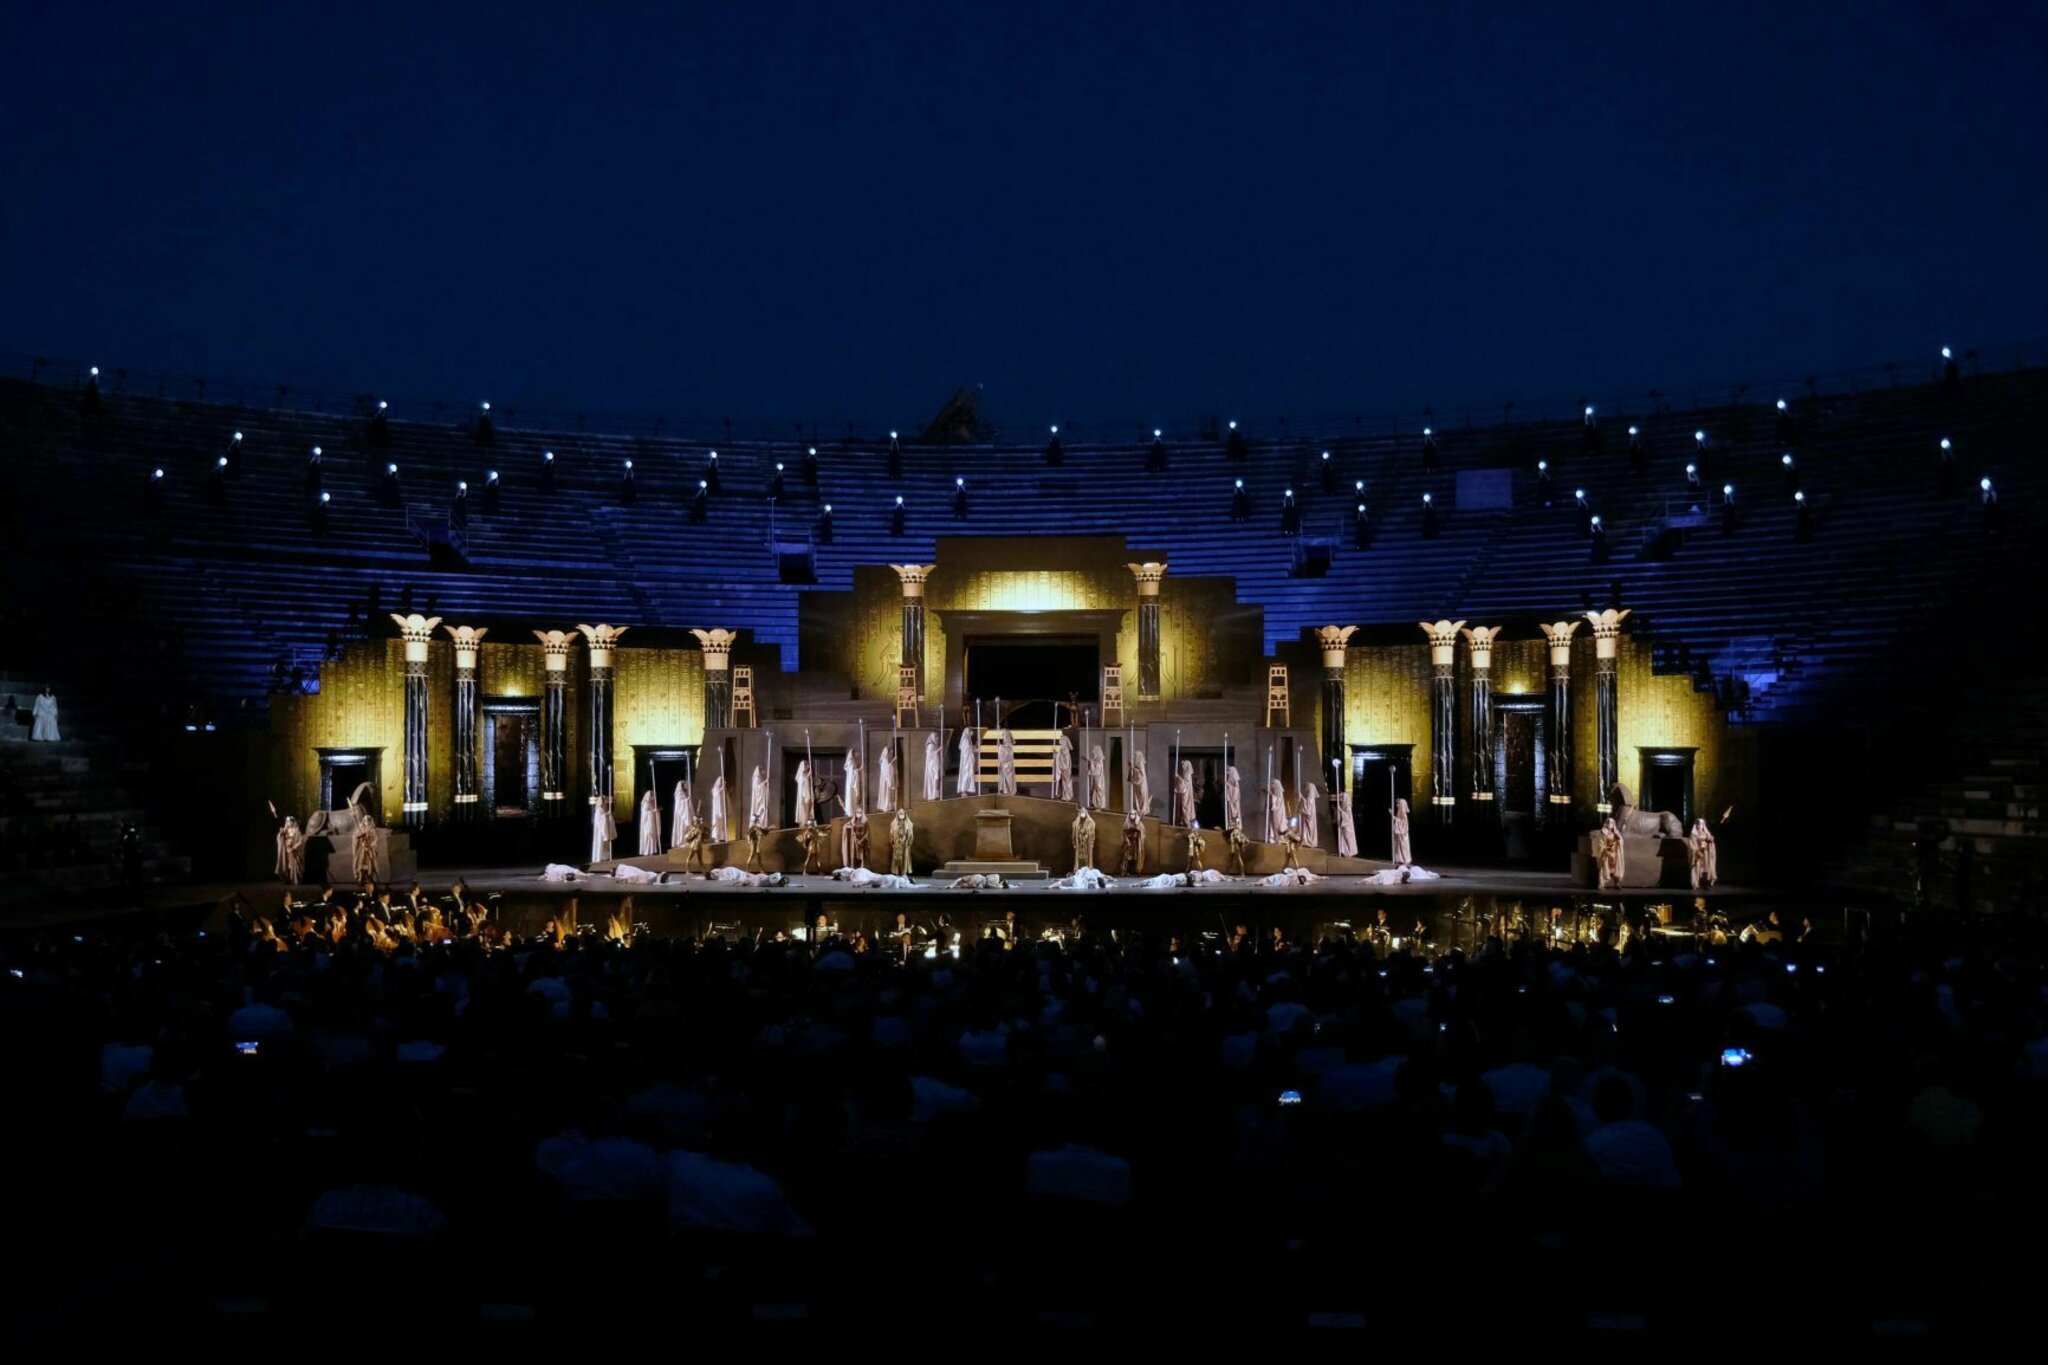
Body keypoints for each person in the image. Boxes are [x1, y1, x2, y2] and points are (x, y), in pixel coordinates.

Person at [275, 814, 306, 885]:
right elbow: (280, 838)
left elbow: (301, 841)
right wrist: (281, 833)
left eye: (290, 822)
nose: (289, 823)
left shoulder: (297, 830)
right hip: (287, 851)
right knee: (286, 865)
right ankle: (287, 879)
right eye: (287, 822)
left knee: (294, 866)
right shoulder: (286, 830)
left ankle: (295, 880)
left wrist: (295, 847)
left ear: (293, 822)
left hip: (294, 852)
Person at [1596, 817, 1625, 889]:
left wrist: (1618, 838)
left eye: (1612, 823)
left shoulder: (1615, 832)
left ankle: (1617, 883)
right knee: (1605, 867)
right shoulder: (1603, 832)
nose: (1610, 824)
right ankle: (1602, 883)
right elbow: (1600, 842)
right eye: (1609, 823)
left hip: (1614, 853)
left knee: (1616, 868)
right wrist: (1604, 849)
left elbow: (1621, 841)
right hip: (1606, 852)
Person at [1689, 818, 1718, 888]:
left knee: (1707, 867)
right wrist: (1696, 851)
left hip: (1706, 853)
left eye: (1702, 824)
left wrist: (1710, 840)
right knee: (1698, 867)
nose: (1700, 825)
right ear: (1696, 825)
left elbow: (1710, 840)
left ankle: (1706, 882)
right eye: (1699, 824)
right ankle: (1697, 882)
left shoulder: (1706, 833)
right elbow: (1692, 845)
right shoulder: (1693, 834)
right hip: (1699, 854)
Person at [890, 806, 915, 878]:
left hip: (905, 842)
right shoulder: (894, 823)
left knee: (905, 857)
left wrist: (909, 842)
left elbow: (910, 833)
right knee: (897, 857)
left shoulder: (909, 823)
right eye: (900, 814)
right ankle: (896, 871)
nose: (901, 816)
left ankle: (904, 872)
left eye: (902, 814)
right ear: (897, 815)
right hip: (897, 843)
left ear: (905, 815)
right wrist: (892, 842)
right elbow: (891, 833)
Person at [591, 795, 617, 863]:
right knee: (600, 843)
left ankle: (605, 856)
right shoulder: (598, 810)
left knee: (606, 844)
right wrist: (606, 815)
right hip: (600, 831)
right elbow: (599, 820)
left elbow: (607, 814)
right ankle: (599, 856)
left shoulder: (603, 809)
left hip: (605, 828)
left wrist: (608, 814)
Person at [1119, 807, 1144, 876]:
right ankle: (1124, 871)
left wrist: (1138, 830)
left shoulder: (1139, 823)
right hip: (1129, 842)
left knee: (1137, 856)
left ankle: (1138, 870)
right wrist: (1127, 840)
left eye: (1133, 814)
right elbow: (1124, 832)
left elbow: (1142, 832)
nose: (1132, 815)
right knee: (1126, 857)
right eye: (1131, 814)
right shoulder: (1126, 823)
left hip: (1136, 843)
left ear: (1136, 815)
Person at [1071, 804, 1096, 872]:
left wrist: (1092, 842)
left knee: (1087, 856)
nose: (1083, 813)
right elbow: (1073, 834)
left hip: (1087, 843)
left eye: (1084, 812)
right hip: (1079, 842)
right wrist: (1074, 843)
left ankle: (1088, 868)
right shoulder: (1075, 823)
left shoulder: (1091, 822)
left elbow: (1093, 834)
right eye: (1081, 812)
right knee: (1078, 857)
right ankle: (1077, 869)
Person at [1333, 791, 1357, 858]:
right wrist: (1336, 810)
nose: (1341, 800)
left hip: (1347, 827)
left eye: (1342, 798)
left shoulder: (1348, 808)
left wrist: (1340, 810)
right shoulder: (1343, 807)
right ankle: (1347, 851)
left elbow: (1347, 817)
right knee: (1345, 838)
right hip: (1344, 826)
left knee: (1348, 839)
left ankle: (1350, 851)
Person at [670, 778, 693, 848]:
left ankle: (688, 840)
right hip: (681, 815)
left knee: (687, 828)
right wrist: (686, 800)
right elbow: (679, 804)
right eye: (684, 785)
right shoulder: (678, 793)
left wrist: (688, 799)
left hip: (686, 813)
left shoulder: (685, 793)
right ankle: (681, 841)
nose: (685, 786)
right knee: (681, 828)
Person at [638, 790, 662, 857]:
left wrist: (656, 810)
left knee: (653, 836)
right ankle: (647, 851)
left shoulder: (652, 803)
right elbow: (645, 813)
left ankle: (652, 850)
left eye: (652, 796)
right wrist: (653, 811)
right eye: (650, 796)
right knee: (648, 836)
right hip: (647, 824)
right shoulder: (645, 804)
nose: (651, 797)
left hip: (652, 822)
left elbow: (654, 809)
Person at [1051, 732, 1074, 801]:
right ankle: (1065, 794)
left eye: (1061, 741)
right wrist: (1056, 753)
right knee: (1063, 781)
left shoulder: (1065, 751)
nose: (1060, 743)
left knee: (1066, 781)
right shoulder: (1062, 750)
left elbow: (1065, 762)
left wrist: (1057, 755)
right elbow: (1059, 756)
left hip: (1065, 768)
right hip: (1063, 768)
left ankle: (1067, 795)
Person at [1298, 780, 1320, 847]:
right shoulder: (1310, 798)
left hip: (1309, 815)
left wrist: (1301, 796)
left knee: (1309, 827)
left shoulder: (1311, 799)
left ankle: (1309, 841)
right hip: (1308, 815)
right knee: (1307, 827)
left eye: (1306, 788)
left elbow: (1308, 808)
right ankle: (1306, 840)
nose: (1305, 789)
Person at [1390, 797, 1412, 866]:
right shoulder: (1400, 814)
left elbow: (1403, 824)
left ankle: (1405, 859)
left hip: (1403, 836)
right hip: (1400, 835)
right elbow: (1398, 820)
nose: (1397, 804)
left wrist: (1392, 816)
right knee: (1399, 848)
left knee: (1403, 848)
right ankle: (1400, 859)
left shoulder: (1404, 815)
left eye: (1398, 803)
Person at [1127, 751, 1150, 816]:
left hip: (1141, 784)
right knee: (1138, 797)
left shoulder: (1140, 764)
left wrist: (1133, 768)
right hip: (1137, 784)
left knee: (1141, 796)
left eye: (1135, 756)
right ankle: (1139, 810)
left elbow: (1142, 775)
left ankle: (1142, 811)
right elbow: (1135, 770)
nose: (1134, 758)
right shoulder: (1137, 765)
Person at [1174, 759, 1196, 827]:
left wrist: (1177, 777)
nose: (1182, 766)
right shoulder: (1185, 773)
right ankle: (1184, 820)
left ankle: (1186, 821)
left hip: (1186, 794)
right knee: (1184, 807)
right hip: (1185, 794)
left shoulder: (1187, 774)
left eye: (1183, 765)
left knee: (1186, 807)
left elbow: (1184, 784)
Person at [956, 728, 978, 796]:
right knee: (966, 774)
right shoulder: (965, 740)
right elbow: (967, 750)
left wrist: (975, 747)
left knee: (969, 774)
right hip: (966, 761)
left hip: (969, 760)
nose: (971, 734)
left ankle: (968, 788)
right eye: (970, 732)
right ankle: (963, 789)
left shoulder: (968, 740)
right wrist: (974, 749)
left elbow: (970, 748)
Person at [710, 773, 731, 843]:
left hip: (722, 809)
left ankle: (723, 836)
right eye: (723, 781)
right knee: (718, 823)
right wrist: (721, 790)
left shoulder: (723, 790)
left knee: (723, 823)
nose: (725, 782)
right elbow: (716, 795)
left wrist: (725, 791)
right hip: (717, 811)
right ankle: (717, 836)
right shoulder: (716, 790)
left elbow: (726, 799)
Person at [876, 743, 897, 813]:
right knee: (886, 792)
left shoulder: (885, 759)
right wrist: (893, 760)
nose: (891, 753)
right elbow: (887, 769)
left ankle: (888, 805)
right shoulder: (884, 759)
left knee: (887, 793)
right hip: (885, 780)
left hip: (886, 779)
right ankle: (886, 806)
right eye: (891, 751)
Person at [795, 759, 816, 825]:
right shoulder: (802, 777)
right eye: (806, 765)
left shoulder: (804, 777)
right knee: (805, 814)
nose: (808, 767)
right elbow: (804, 789)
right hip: (805, 798)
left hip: (806, 797)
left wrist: (809, 776)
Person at [997, 727, 1017, 796]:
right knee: (1009, 777)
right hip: (1009, 764)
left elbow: (1003, 758)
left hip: (1006, 764)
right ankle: (1008, 789)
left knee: (1007, 776)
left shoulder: (1005, 747)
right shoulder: (1010, 746)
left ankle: (1007, 790)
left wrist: (999, 747)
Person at [922, 733, 942, 801]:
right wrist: (939, 750)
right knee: (933, 780)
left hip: (934, 765)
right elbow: (930, 754)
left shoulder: (934, 745)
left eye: (937, 737)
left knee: (935, 780)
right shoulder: (931, 745)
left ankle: (934, 795)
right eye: (936, 737)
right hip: (931, 766)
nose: (937, 738)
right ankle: (932, 795)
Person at [1087, 745, 1108, 810]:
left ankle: (1099, 805)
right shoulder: (1096, 760)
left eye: (1094, 752)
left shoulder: (1099, 761)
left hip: (1098, 779)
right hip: (1096, 779)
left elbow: (1096, 772)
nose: (1093, 753)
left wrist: (1091, 763)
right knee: (1095, 791)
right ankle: (1095, 804)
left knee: (1099, 791)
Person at [1224, 764, 1243, 830]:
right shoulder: (1229, 784)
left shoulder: (1235, 787)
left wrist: (1228, 785)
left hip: (1234, 806)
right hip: (1231, 805)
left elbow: (1234, 798)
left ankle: (1235, 826)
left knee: (1235, 817)